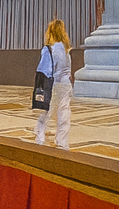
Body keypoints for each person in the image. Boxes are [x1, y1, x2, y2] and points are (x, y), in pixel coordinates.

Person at [35, 19, 73, 150]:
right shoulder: (66, 48)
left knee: (46, 111)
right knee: (64, 112)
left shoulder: (48, 49)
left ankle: (40, 137)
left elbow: (43, 69)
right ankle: (62, 141)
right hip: (66, 84)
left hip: (52, 84)